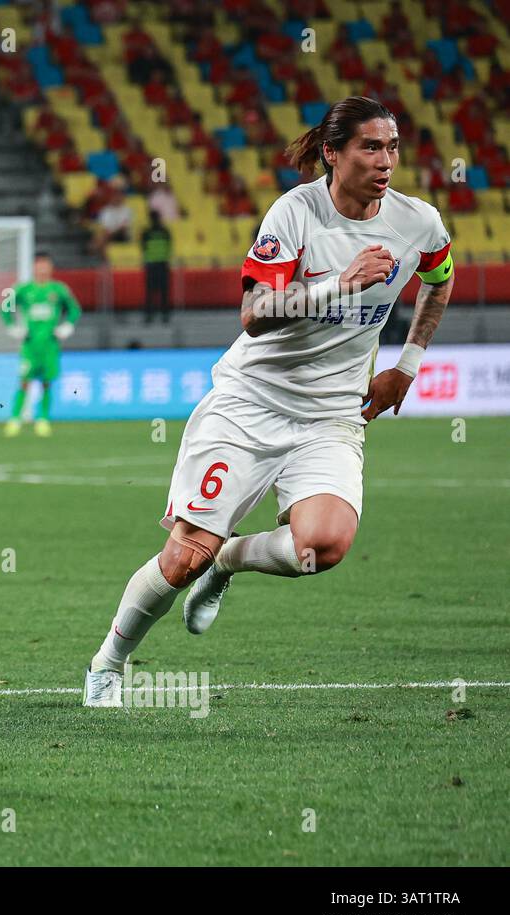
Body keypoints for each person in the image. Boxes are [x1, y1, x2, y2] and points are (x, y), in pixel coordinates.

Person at [83, 97, 455, 706]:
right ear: (332, 154)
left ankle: (230, 561)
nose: (386, 160)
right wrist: (340, 282)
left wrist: (405, 367)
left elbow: (440, 282)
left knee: (321, 548)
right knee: (182, 560)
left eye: (392, 147)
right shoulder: (295, 213)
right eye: (370, 147)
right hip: (251, 403)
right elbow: (254, 314)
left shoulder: (418, 223)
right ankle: (109, 663)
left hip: (332, 414)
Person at [1, 251, 81, 437]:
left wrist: (67, 326)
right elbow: (5, 307)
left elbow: (74, 310)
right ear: (33, 267)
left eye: (45, 265)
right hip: (29, 345)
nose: (42, 268)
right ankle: (15, 419)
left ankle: (43, 420)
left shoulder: (59, 289)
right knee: (24, 382)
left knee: (46, 383)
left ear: (51, 267)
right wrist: (12, 327)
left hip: (50, 345)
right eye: (39, 265)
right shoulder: (24, 289)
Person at [141, 210, 173, 324]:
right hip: (162, 265)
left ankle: (150, 316)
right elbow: (169, 247)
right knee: (162, 292)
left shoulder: (147, 232)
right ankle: (163, 315)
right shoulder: (165, 231)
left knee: (151, 292)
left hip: (152, 265)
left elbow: (143, 248)